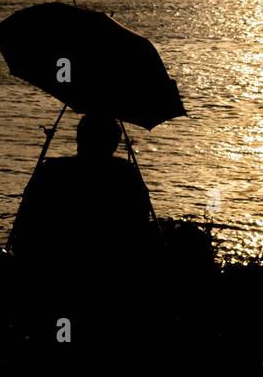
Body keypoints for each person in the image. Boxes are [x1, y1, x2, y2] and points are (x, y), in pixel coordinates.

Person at [8, 113, 157, 273]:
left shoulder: (51, 171)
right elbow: (139, 223)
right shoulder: (127, 175)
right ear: (113, 144)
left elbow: (24, 223)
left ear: (79, 139)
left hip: (48, 262)